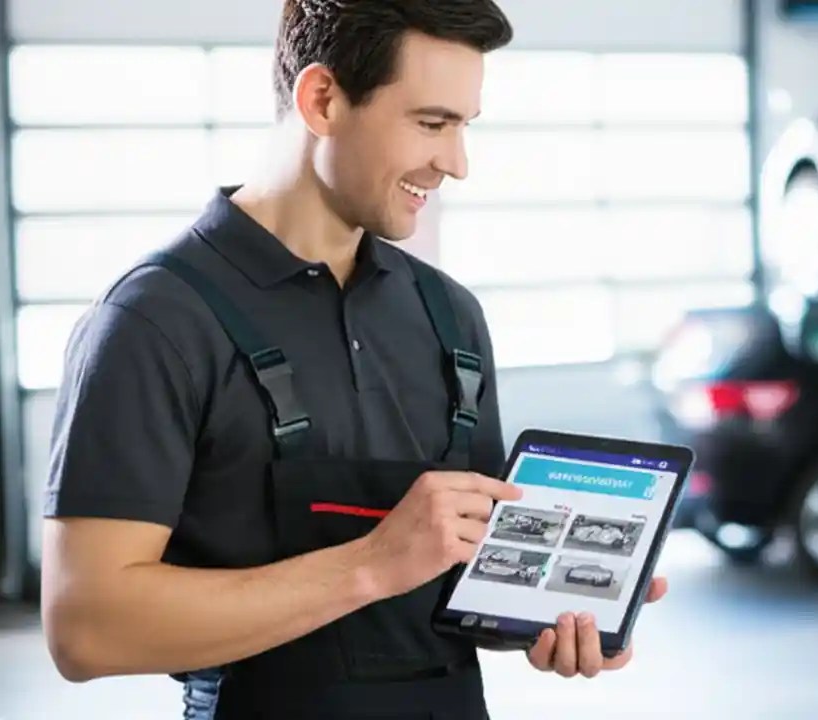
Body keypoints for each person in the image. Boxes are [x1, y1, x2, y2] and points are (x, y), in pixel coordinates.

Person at [39, 1, 667, 718]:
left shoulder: (449, 314)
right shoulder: (155, 321)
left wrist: (548, 611)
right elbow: (85, 628)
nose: (456, 164)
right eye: (432, 124)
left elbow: (464, 571)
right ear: (322, 99)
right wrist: (369, 565)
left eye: (464, 127)